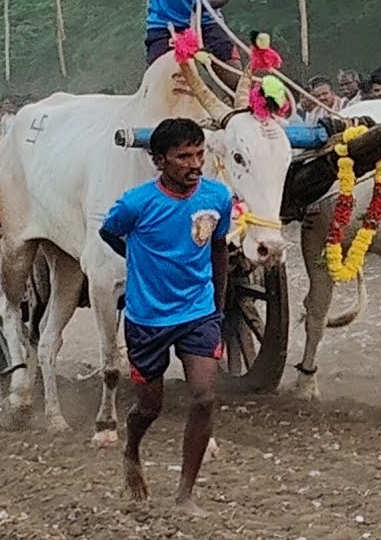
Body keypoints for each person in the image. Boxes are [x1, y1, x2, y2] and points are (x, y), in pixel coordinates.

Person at [98, 118, 233, 515]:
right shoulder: (136, 204)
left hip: (198, 312)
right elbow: (109, 232)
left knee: (205, 398)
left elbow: (219, 248)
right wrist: (139, 261)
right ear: (159, 161)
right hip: (148, 318)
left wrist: (218, 306)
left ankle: (185, 494)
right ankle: (132, 449)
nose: (195, 164)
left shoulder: (217, 197)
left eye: (199, 154)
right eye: (183, 157)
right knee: (149, 407)